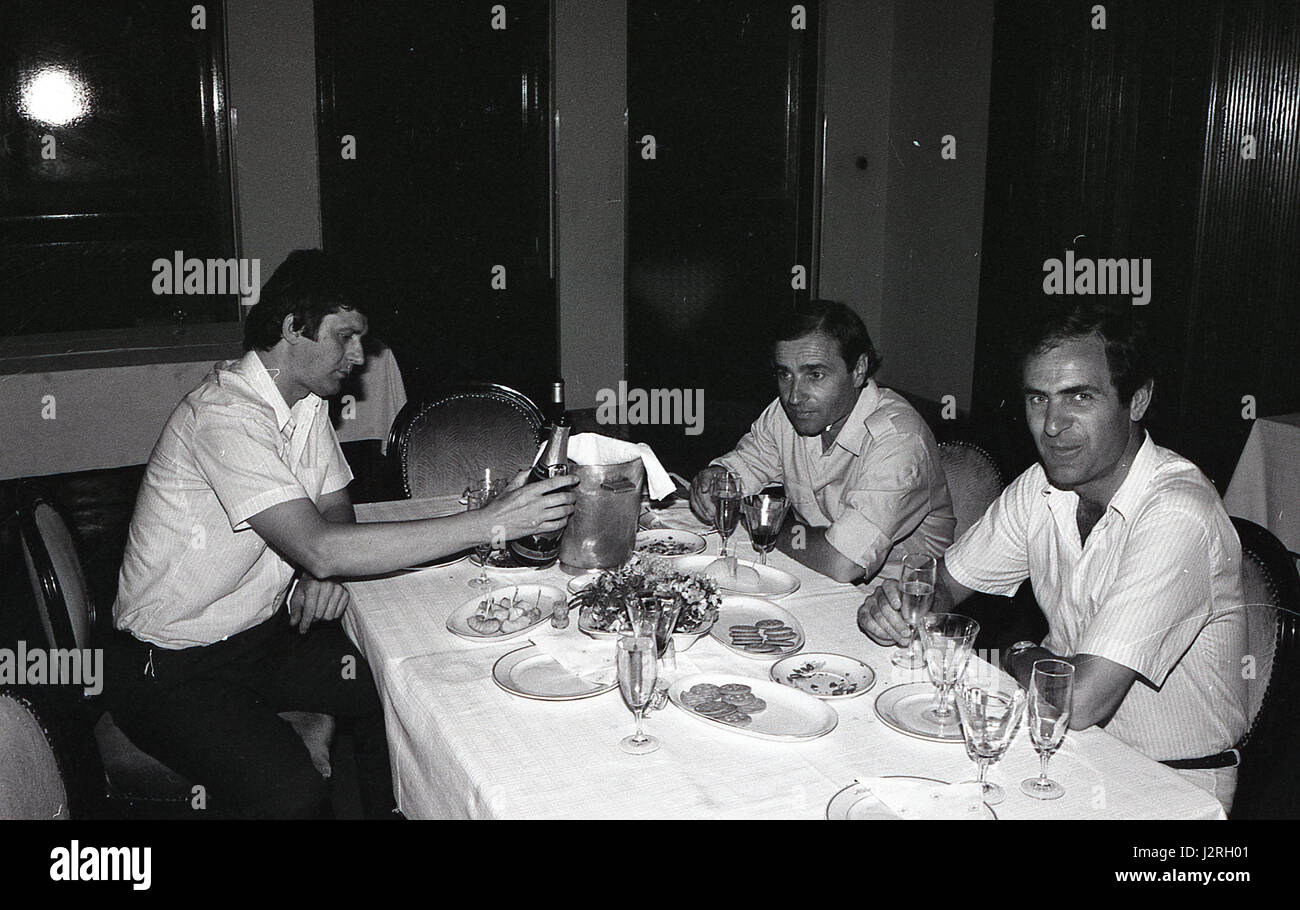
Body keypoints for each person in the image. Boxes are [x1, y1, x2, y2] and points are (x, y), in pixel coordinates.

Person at [106, 249, 577, 818]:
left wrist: (311, 569)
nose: (358, 357)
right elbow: (323, 546)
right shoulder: (225, 417)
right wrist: (492, 521)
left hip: (259, 638)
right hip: (170, 666)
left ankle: (396, 809)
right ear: (292, 327)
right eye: (346, 337)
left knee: (405, 692)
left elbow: (334, 512)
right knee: (293, 794)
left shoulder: (303, 404)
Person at [858, 302, 1248, 809]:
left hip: (1165, 787)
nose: (1053, 426)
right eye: (1038, 399)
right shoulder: (1045, 485)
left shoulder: (1179, 516)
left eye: (1080, 397)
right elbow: (947, 585)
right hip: (1059, 751)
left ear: (1138, 400)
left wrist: (1019, 650)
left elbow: (1079, 699)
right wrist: (899, 604)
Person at [690, 300, 955, 584]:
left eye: (815, 375)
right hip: (814, 571)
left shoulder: (900, 440)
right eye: (785, 374)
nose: (794, 396)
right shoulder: (788, 414)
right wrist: (716, 478)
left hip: (894, 599)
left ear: (859, 369)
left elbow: (844, 561)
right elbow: (744, 467)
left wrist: (765, 524)